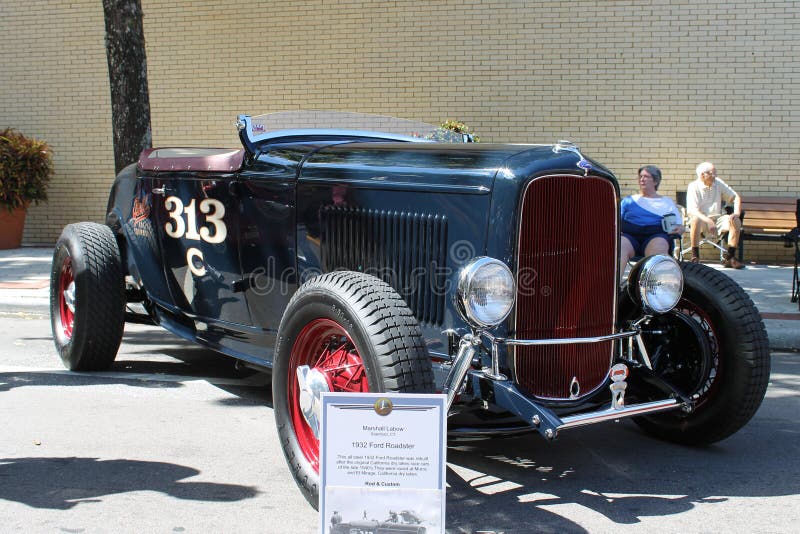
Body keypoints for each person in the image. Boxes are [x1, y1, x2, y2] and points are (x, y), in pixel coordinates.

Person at [619, 165, 684, 279]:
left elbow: (678, 225)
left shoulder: (666, 202)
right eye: (640, 176)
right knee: (619, 246)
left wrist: (680, 229)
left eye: (646, 176)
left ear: (655, 181)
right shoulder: (628, 201)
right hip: (630, 237)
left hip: (655, 236)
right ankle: (611, 289)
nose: (642, 179)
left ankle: (658, 289)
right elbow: (615, 222)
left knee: (659, 246)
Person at [686, 162, 744, 269]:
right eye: (713, 173)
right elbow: (693, 210)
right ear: (703, 175)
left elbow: (736, 197)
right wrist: (708, 221)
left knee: (735, 220)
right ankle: (695, 257)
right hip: (701, 219)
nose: (716, 176)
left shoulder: (718, 183)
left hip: (717, 218)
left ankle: (730, 258)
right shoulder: (693, 186)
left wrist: (736, 213)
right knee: (695, 219)